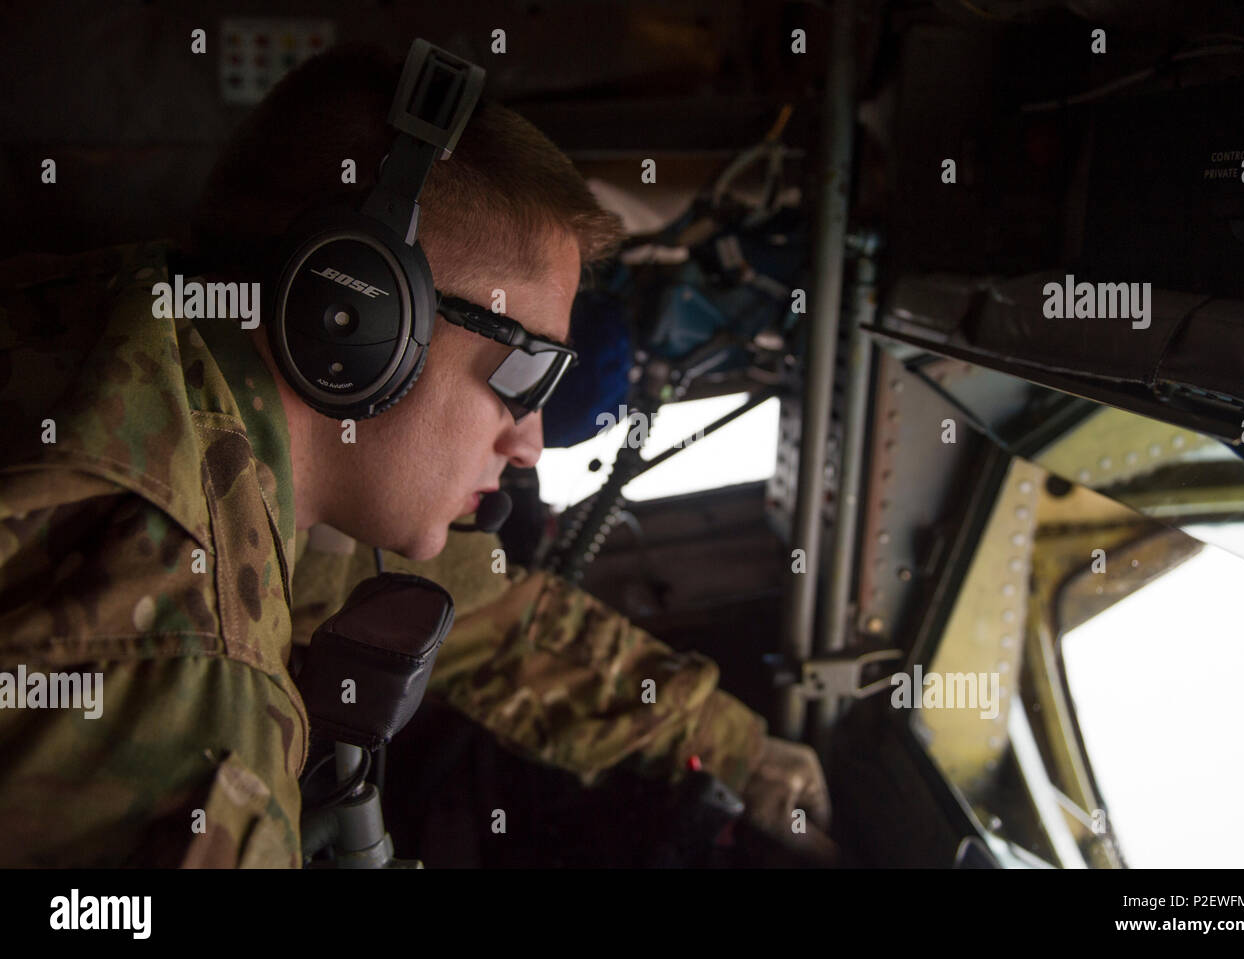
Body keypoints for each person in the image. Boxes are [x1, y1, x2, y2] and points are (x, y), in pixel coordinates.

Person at [0, 41, 829, 867]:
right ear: (356, 313)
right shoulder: (195, 687)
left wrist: (738, 751)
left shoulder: (120, 328)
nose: (531, 442)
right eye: (528, 371)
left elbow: (494, 621)